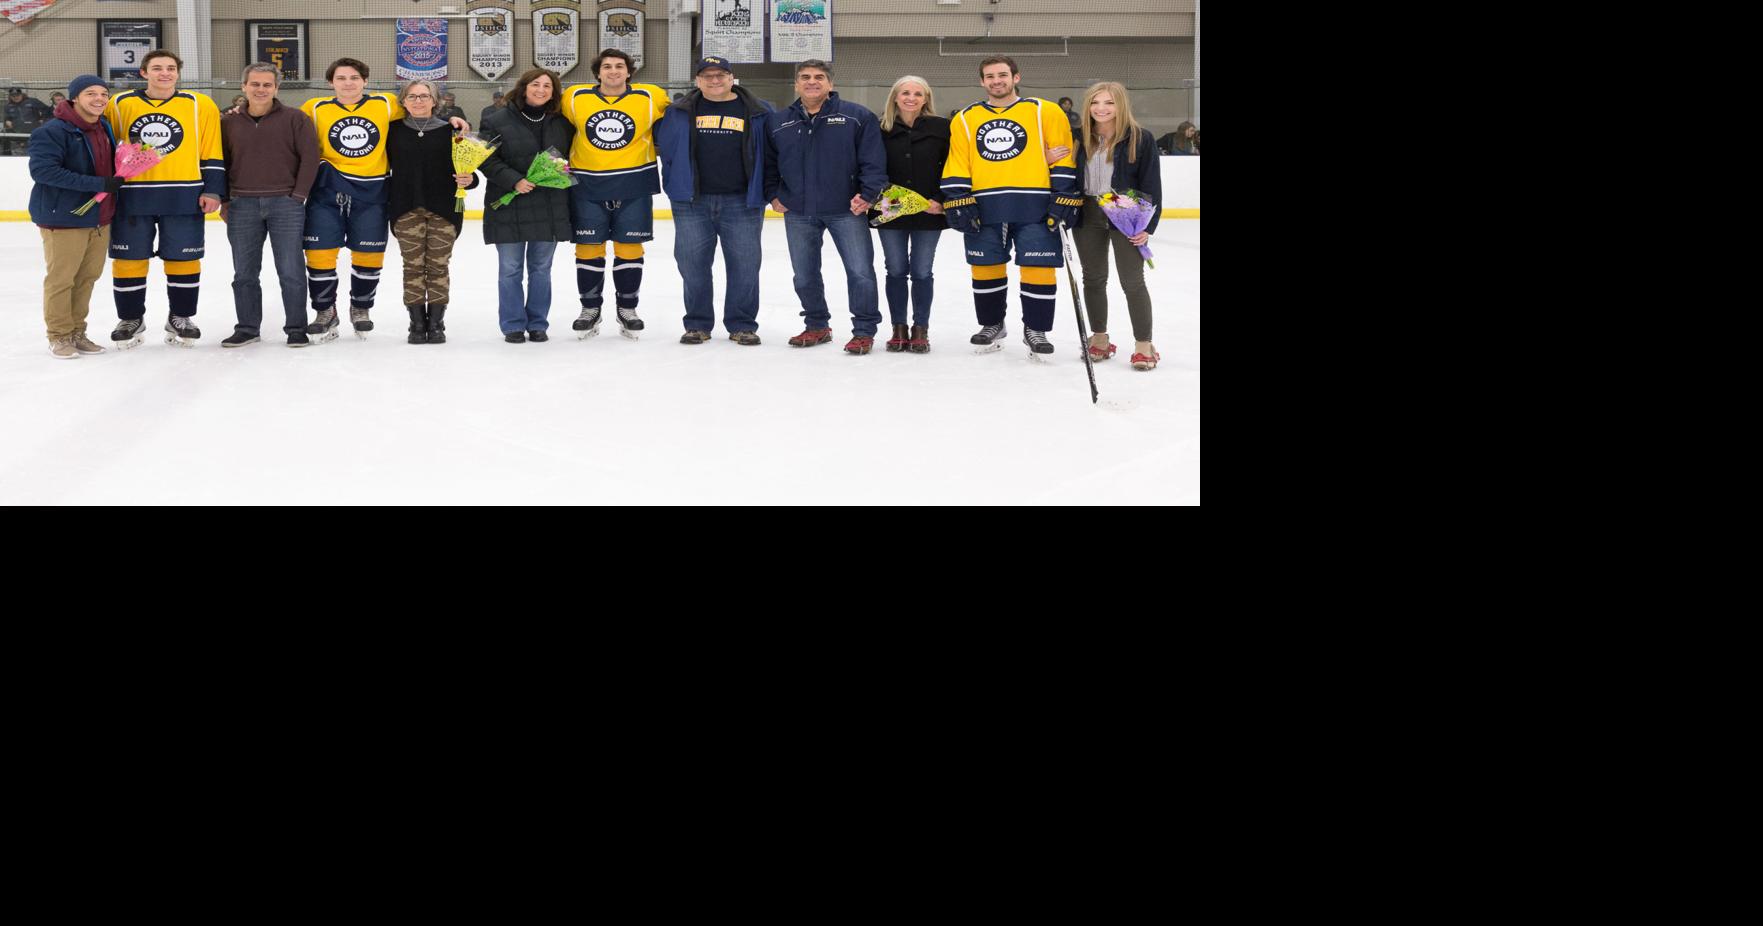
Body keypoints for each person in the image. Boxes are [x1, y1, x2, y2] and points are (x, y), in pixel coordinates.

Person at [299, 57, 469, 343]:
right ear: (331, 82)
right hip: (329, 192)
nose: (348, 83)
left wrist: (452, 119)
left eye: (354, 77)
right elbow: (290, 130)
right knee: (320, 255)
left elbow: (426, 119)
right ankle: (325, 311)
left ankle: (361, 309)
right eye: (341, 78)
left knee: (368, 256)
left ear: (365, 81)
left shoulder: (386, 104)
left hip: (373, 193)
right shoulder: (313, 108)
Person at [940, 55, 1080, 357]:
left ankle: (1036, 329)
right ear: (981, 81)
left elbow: (1064, 156)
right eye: (989, 76)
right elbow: (959, 161)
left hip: (1036, 205)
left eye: (1002, 74)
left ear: (1016, 77)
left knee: (1038, 267)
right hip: (985, 206)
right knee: (985, 266)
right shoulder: (965, 117)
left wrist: (1063, 194)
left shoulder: (1045, 110)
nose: (996, 81)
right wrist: (958, 199)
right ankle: (992, 324)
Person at [104, 50, 226, 349]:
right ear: (143, 73)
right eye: (157, 68)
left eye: (171, 68)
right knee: (129, 260)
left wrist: (212, 189)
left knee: (184, 259)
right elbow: (107, 147)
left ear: (178, 73)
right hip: (132, 197)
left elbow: (211, 149)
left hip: (184, 195)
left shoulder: (200, 104)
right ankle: (131, 318)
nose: (165, 73)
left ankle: (181, 316)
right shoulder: (119, 104)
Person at [764, 59, 886, 353]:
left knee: (859, 272)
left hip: (847, 209)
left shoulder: (856, 117)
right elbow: (768, 164)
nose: (811, 81)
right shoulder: (780, 122)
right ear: (796, 84)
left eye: (819, 77)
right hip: (798, 211)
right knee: (804, 274)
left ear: (830, 84)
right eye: (805, 77)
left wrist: (868, 194)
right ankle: (817, 325)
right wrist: (773, 194)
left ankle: (864, 330)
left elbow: (874, 160)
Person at [654, 56, 773, 345]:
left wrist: (771, 189)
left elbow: (773, 152)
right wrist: (674, 182)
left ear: (732, 77)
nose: (714, 80)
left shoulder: (760, 111)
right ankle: (697, 324)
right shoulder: (678, 111)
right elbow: (664, 149)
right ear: (697, 80)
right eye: (707, 75)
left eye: (721, 74)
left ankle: (742, 324)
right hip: (692, 202)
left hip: (742, 202)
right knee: (692, 265)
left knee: (745, 266)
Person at [560, 48, 669, 340]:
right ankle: (590, 309)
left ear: (629, 71)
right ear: (598, 72)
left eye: (619, 66)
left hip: (634, 184)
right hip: (586, 184)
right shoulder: (574, 97)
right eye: (606, 66)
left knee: (630, 249)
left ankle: (628, 309)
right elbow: (541, 114)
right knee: (587, 249)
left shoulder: (651, 96)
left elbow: (690, 110)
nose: (613, 71)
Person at [220, 63, 320, 348]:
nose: (260, 89)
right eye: (255, 84)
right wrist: (226, 199)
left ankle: (296, 328)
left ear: (276, 88)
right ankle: (248, 327)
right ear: (243, 87)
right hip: (242, 205)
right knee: (244, 272)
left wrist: (298, 196)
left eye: (267, 84)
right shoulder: (228, 122)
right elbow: (221, 163)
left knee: (291, 270)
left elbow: (310, 159)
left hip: (285, 204)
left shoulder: (295, 119)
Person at [480, 67, 574, 343]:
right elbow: (486, 159)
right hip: (510, 204)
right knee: (510, 269)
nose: (542, 90)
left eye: (548, 86)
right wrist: (514, 181)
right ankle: (512, 324)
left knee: (541, 269)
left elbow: (569, 157)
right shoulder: (496, 119)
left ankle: (537, 323)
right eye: (536, 84)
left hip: (549, 204)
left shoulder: (562, 122)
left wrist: (562, 171)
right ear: (523, 87)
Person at [1072, 82, 1161, 371]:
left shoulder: (1140, 138)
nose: (1101, 108)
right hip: (1087, 213)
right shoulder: (1078, 137)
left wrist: (1148, 226)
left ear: (1120, 105)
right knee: (1094, 278)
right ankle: (1099, 339)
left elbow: (1151, 184)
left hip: (1125, 213)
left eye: (1109, 103)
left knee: (1132, 281)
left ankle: (1144, 345)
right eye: (1095, 102)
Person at [30, 75, 118, 359]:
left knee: (87, 278)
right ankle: (59, 335)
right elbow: (43, 172)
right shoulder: (53, 131)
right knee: (62, 279)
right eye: (91, 93)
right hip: (64, 217)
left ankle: (78, 332)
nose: (99, 99)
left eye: (104, 94)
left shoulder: (103, 127)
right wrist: (98, 184)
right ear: (75, 98)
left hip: (99, 217)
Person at [387, 78, 477, 344]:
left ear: (435, 100)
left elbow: (470, 171)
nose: (418, 100)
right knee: (412, 267)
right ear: (403, 101)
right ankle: (416, 323)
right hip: (405, 209)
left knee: (438, 267)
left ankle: (436, 323)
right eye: (412, 96)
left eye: (424, 96)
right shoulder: (391, 130)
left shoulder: (454, 133)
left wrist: (469, 179)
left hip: (444, 210)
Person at [872, 75, 948, 353]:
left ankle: (920, 329)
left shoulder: (942, 128)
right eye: (905, 93)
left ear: (926, 98)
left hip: (930, 210)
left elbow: (951, 167)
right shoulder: (880, 128)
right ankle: (898, 328)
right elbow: (871, 166)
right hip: (890, 210)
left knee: (922, 271)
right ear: (895, 96)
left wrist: (940, 200)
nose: (911, 98)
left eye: (918, 94)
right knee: (895, 269)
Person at [5, 86, 52, 156]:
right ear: (10, 96)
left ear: (21, 94)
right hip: (18, 137)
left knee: (36, 156)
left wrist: (42, 119)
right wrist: (7, 121)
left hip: (34, 135)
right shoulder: (8, 106)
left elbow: (47, 110)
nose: (15, 97)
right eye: (13, 96)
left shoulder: (33, 101)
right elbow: (7, 118)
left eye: (17, 95)